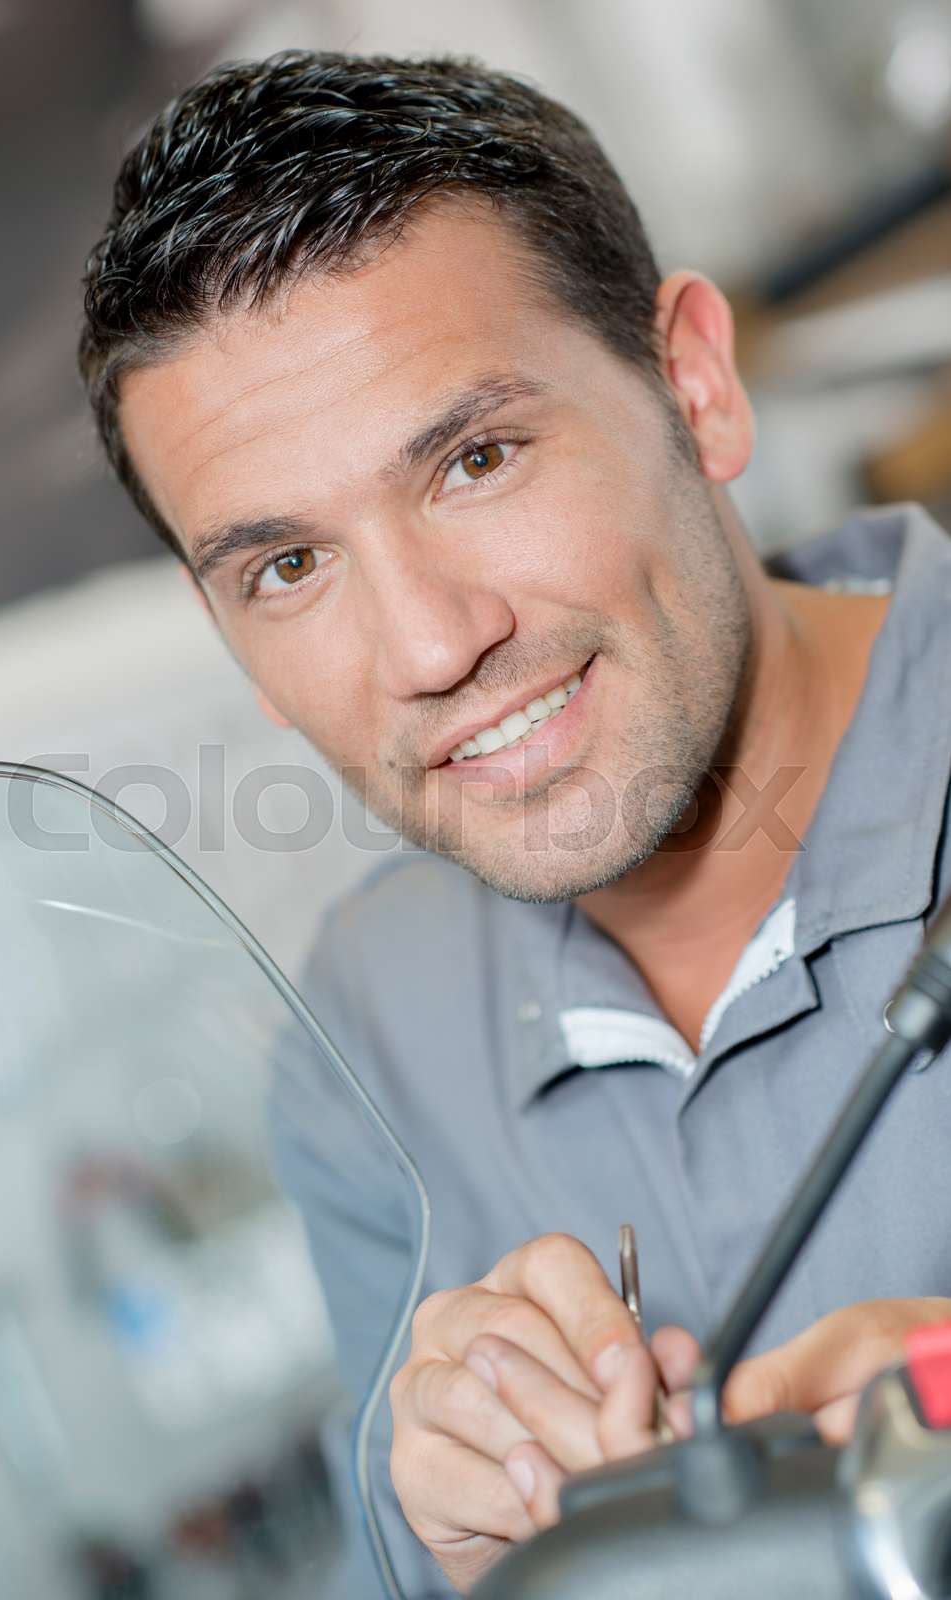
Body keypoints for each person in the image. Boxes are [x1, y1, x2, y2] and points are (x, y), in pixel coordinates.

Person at [78, 49, 951, 1597]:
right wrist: (450, 1542)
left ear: (696, 386)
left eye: (475, 461)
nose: (427, 649)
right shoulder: (368, 1030)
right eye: (286, 568)